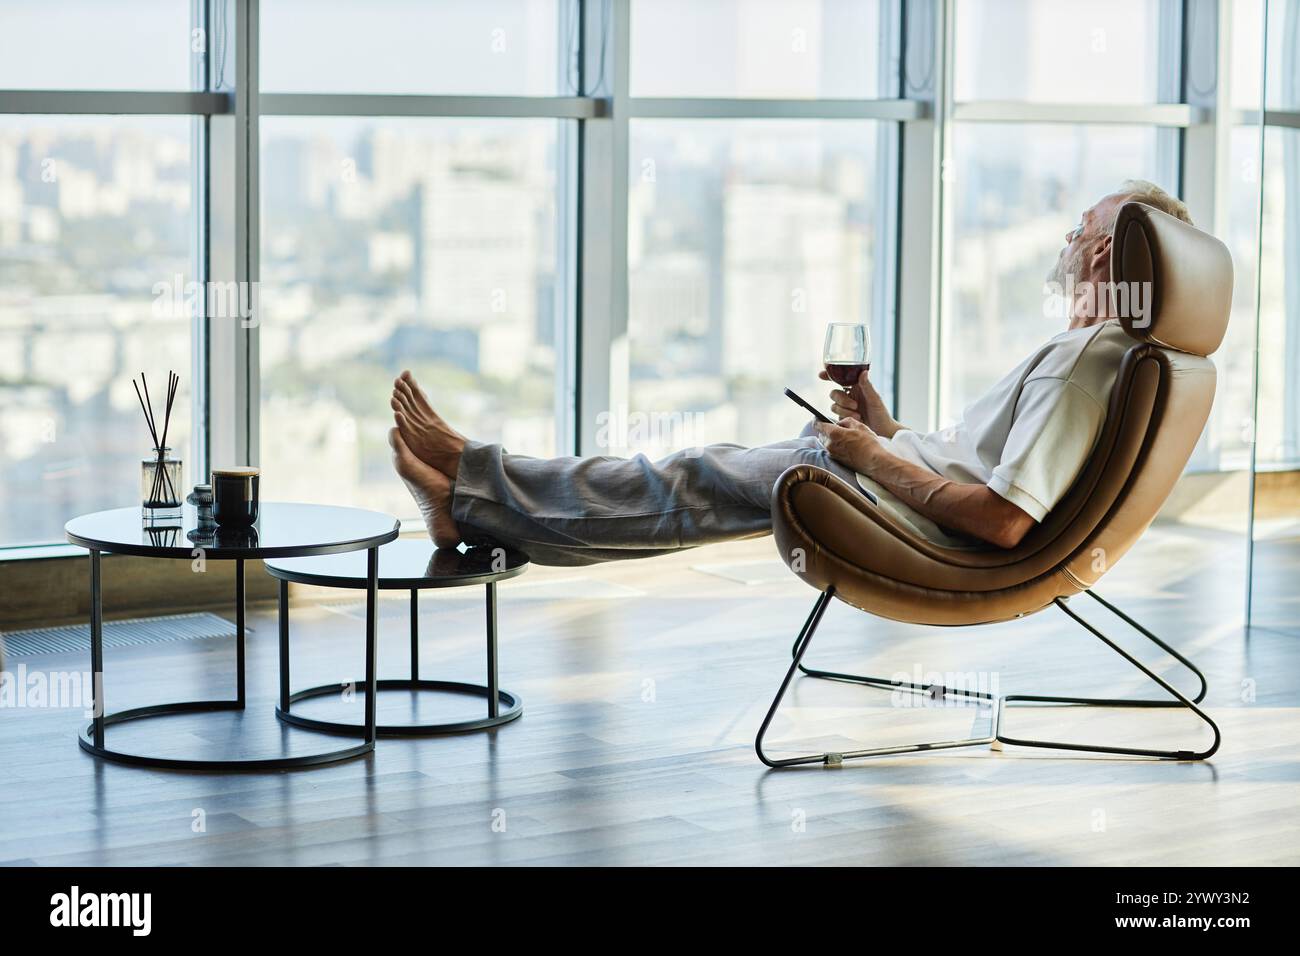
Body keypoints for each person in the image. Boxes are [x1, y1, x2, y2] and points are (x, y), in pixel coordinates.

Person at [388, 180, 1192, 566]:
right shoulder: (1110, 355)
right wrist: (881, 424)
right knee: (691, 491)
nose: (1065, 238)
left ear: (1103, 250)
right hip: (891, 484)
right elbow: (976, 466)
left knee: (687, 478)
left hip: (900, 509)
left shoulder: (1086, 361)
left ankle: (473, 477)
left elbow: (1002, 520)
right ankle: (478, 509)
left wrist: (867, 458)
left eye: (1079, 227)